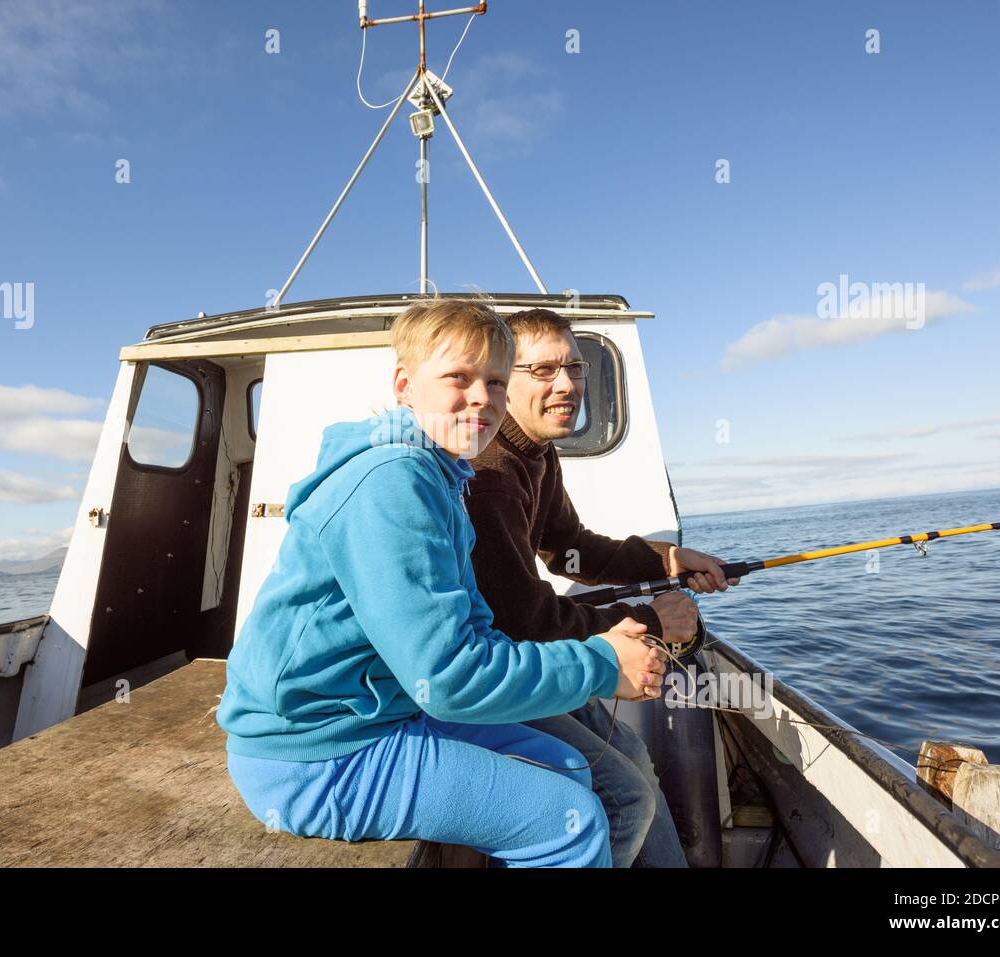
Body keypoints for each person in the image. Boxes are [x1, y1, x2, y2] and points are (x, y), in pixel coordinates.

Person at [216, 298, 665, 867]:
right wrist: (601, 663)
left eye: (496, 382)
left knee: (574, 769)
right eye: (459, 377)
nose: (483, 397)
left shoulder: (440, 475)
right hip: (315, 752)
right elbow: (448, 679)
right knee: (568, 825)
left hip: (384, 713)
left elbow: (475, 628)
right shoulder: (392, 482)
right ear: (404, 384)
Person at [465, 307, 739, 867]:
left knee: (635, 760)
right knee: (625, 797)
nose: (565, 383)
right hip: (483, 673)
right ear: (500, 382)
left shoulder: (535, 452)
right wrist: (654, 620)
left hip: (516, 654)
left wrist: (668, 558)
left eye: (573, 366)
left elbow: (572, 548)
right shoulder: (491, 473)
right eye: (541, 371)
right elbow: (525, 621)